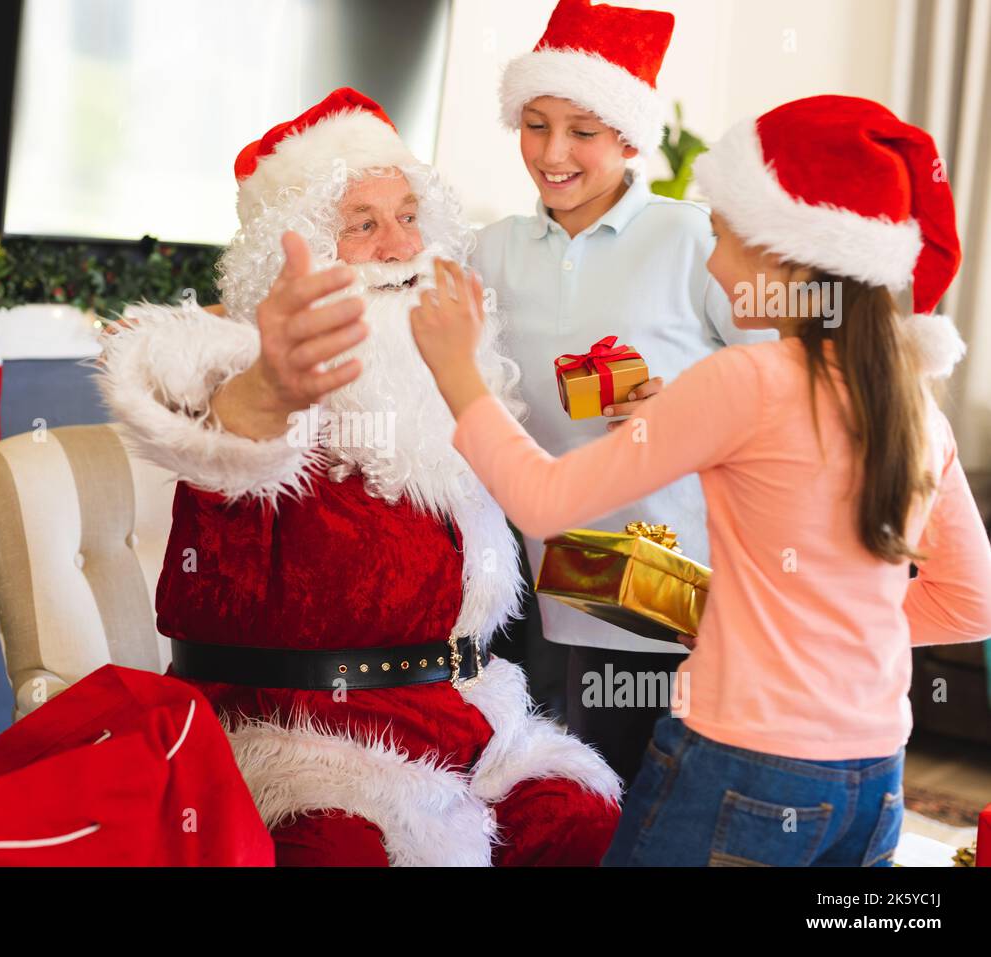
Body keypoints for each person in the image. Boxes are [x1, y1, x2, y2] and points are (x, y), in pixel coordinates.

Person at [410, 95, 991, 866]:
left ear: (781, 251)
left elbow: (544, 501)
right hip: (876, 774)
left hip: (741, 763)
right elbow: (968, 598)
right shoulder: (911, 397)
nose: (711, 260)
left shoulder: (745, 380)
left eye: (720, 236)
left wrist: (459, 377)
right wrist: (798, 623)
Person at [96, 88, 620, 866]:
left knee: (576, 807)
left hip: (466, 715)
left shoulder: (444, 381)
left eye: (409, 216)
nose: (398, 246)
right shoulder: (250, 378)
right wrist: (266, 390)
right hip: (306, 737)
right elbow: (230, 462)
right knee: (342, 847)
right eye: (362, 224)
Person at [472, 0, 775, 784]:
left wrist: (688, 402)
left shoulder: (694, 238)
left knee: (638, 788)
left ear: (629, 137)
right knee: (545, 792)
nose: (552, 152)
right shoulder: (491, 249)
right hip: (527, 570)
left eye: (582, 131)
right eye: (535, 125)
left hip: (653, 572)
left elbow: (784, 390)